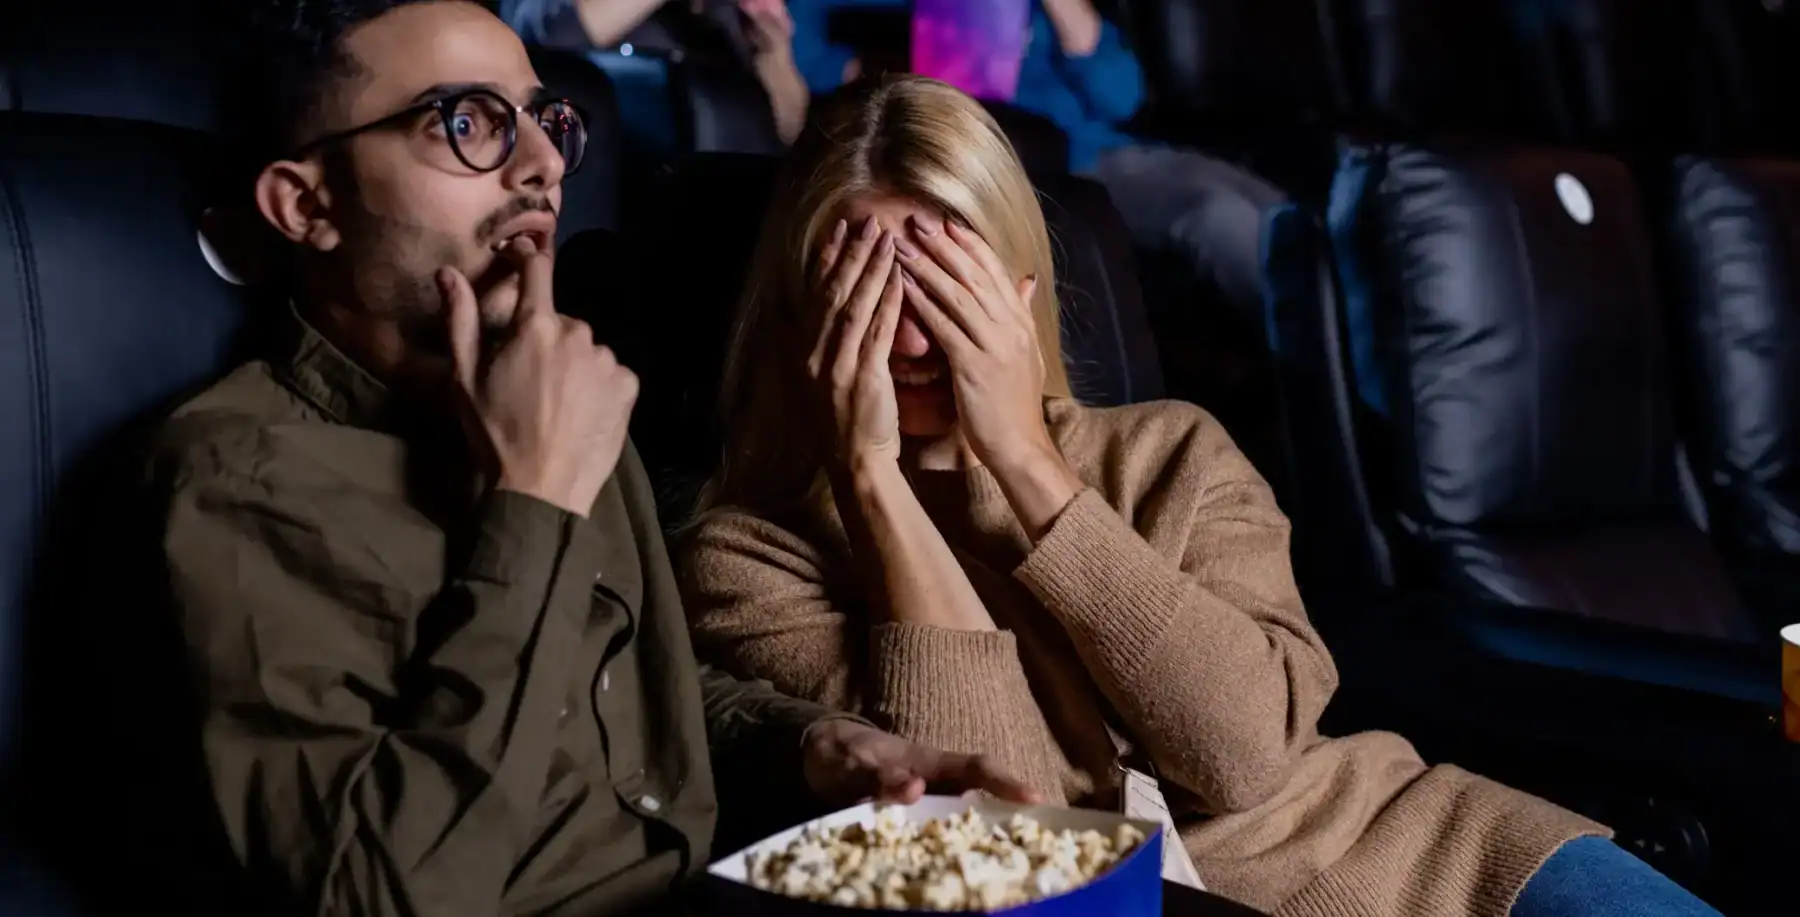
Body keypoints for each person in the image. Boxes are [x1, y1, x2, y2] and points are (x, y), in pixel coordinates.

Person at [675, 75, 1727, 917]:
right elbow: (1003, 843)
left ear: (1021, 295)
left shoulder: (1173, 448)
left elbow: (1246, 757)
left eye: (946, 287)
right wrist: (869, 479)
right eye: (869, 292)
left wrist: (1028, 462)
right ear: (801, 318)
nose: (912, 337)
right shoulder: (749, 553)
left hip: (1425, 857)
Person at [145, 4, 1034, 914]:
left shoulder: (556, 381)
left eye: (544, 121)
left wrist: (814, 746)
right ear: (308, 203)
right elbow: (383, 890)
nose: (540, 168)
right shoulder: (236, 480)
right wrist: (533, 498)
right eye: (467, 123)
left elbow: (627, 686)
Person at [784, 0, 1278, 331]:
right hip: (1033, 167)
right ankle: (1317, 349)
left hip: (1114, 147)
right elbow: (810, 68)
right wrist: (896, 60)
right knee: (1218, 215)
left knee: (1276, 213)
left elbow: (1122, 97)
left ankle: (1341, 343)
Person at [501, 0, 813, 143]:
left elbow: (791, 129)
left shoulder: (730, 15)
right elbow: (547, 36)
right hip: (601, 155)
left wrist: (773, 54)